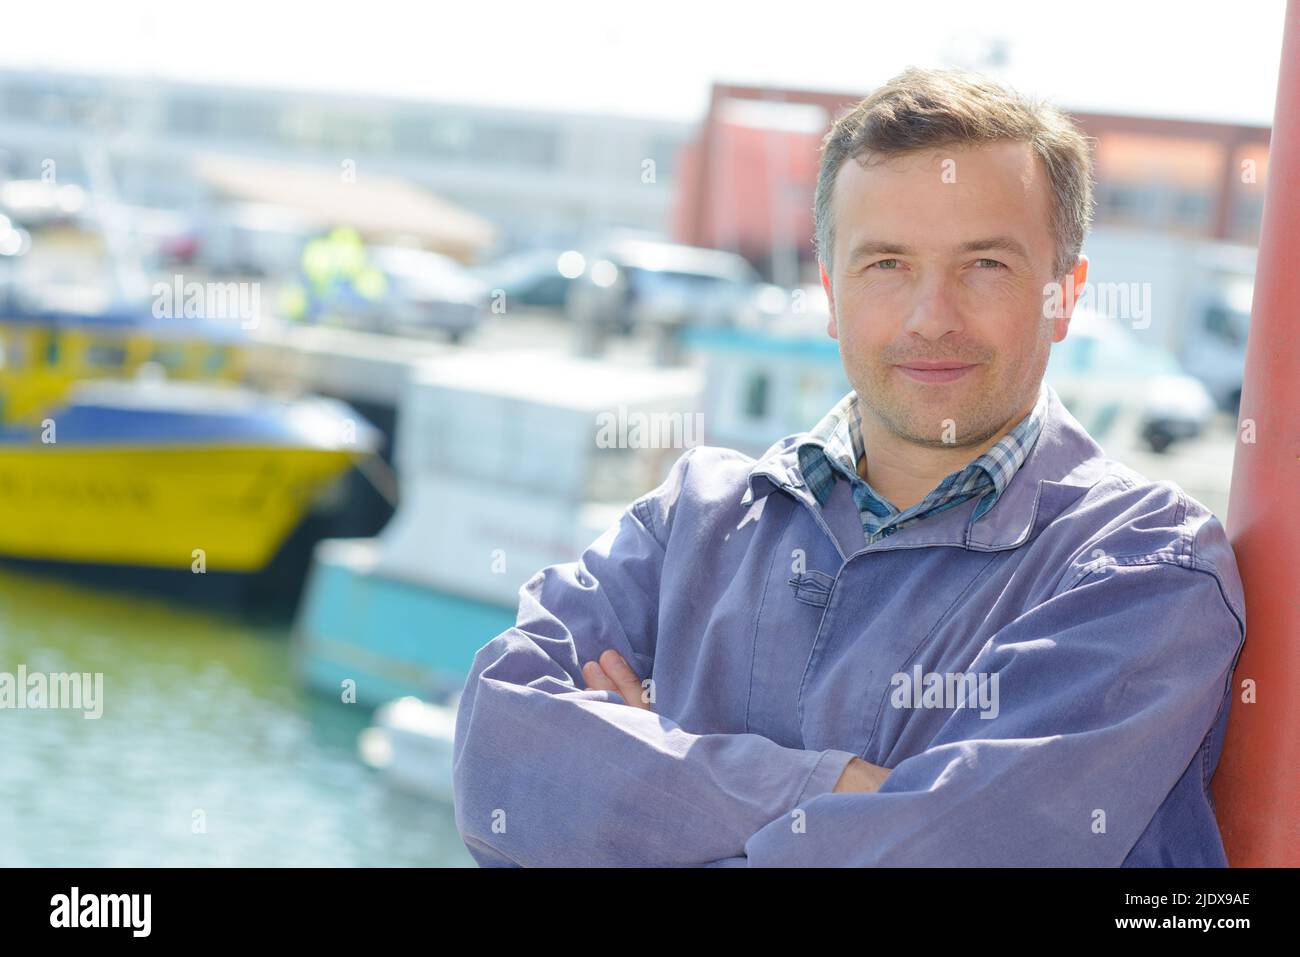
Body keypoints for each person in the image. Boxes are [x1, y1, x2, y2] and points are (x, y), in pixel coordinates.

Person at [451, 67, 1246, 867]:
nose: (932, 317)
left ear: (1064, 296)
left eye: (985, 265)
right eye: (887, 264)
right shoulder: (692, 518)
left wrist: (633, 800)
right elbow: (498, 746)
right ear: (831, 293)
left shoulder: (1140, 569)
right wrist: (832, 791)